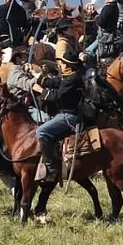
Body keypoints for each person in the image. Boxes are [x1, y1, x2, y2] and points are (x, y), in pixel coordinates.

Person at [35, 54, 87, 183]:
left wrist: (41, 91)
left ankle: (51, 167)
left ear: (68, 66)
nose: (60, 65)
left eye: (62, 63)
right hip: (64, 114)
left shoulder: (72, 79)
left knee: (41, 131)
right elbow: (53, 82)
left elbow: (57, 96)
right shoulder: (69, 77)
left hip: (70, 116)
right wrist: (38, 75)